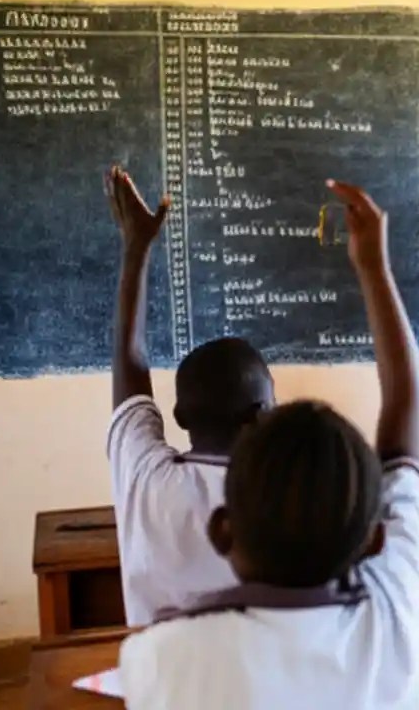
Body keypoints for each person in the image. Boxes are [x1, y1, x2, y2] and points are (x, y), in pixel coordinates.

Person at [119, 181, 419, 709]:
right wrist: (373, 267)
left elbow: (129, 373)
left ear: (223, 528)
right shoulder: (390, 617)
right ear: (370, 538)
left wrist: (136, 249)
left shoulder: (157, 658)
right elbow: (406, 407)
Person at [105, 166, 276, 626]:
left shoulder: (144, 475)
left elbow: (130, 360)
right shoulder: (283, 498)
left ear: (178, 414)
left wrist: (136, 249)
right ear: (259, 417)